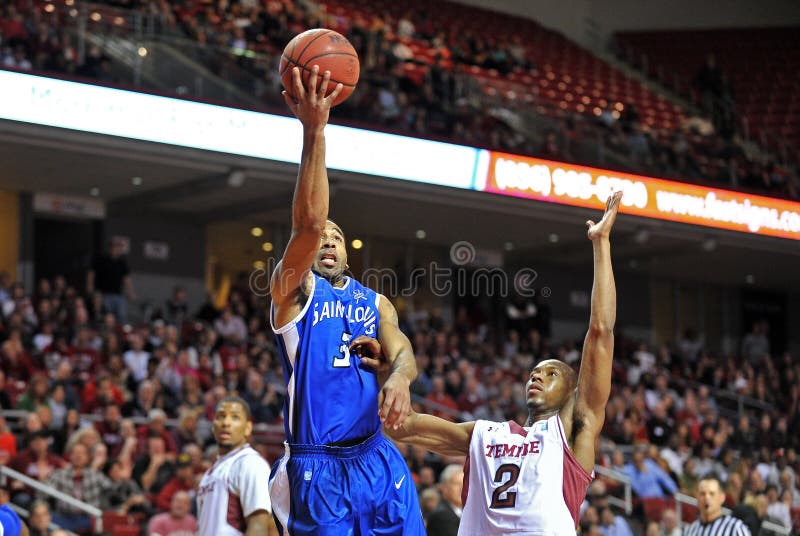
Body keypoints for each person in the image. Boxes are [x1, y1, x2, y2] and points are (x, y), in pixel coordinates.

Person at [380, 191, 623, 534]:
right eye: (535, 372)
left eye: (551, 373)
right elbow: (401, 427)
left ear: (572, 391)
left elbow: (601, 331)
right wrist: (384, 373)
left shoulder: (570, 431)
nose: (537, 377)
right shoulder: (485, 434)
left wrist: (601, 244)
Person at [266, 65, 423, 534]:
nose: (327, 241)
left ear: (348, 253)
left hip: (376, 457)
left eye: (337, 237)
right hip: (317, 467)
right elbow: (309, 224)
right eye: (322, 238)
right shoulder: (293, 293)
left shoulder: (375, 303)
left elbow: (404, 353)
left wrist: (399, 379)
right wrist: (315, 131)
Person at [197, 396, 273, 536]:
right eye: (221, 416)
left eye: (235, 417)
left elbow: (259, 525)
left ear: (248, 428)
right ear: (213, 425)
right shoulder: (211, 471)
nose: (226, 423)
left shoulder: (250, 463)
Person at [86, 238, 135, 323]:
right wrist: (90, 287)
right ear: (110, 247)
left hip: (118, 294)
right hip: (104, 293)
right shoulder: (102, 259)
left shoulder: (122, 263)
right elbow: (91, 273)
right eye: (115, 247)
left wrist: (131, 292)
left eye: (118, 247)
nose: (116, 249)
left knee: (122, 316)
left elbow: (126, 279)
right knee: (105, 315)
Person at [684, 476, 751, 535]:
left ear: (722, 498)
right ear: (697, 497)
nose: (707, 498)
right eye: (702, 494)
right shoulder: (690, 530)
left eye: (712, 494)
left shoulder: (735, 527)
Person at [426, 464, 464, 536]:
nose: (462, 488)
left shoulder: (465, 511)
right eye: (457, 484)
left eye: (464, 484)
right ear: (444, 488)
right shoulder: (441, 516)